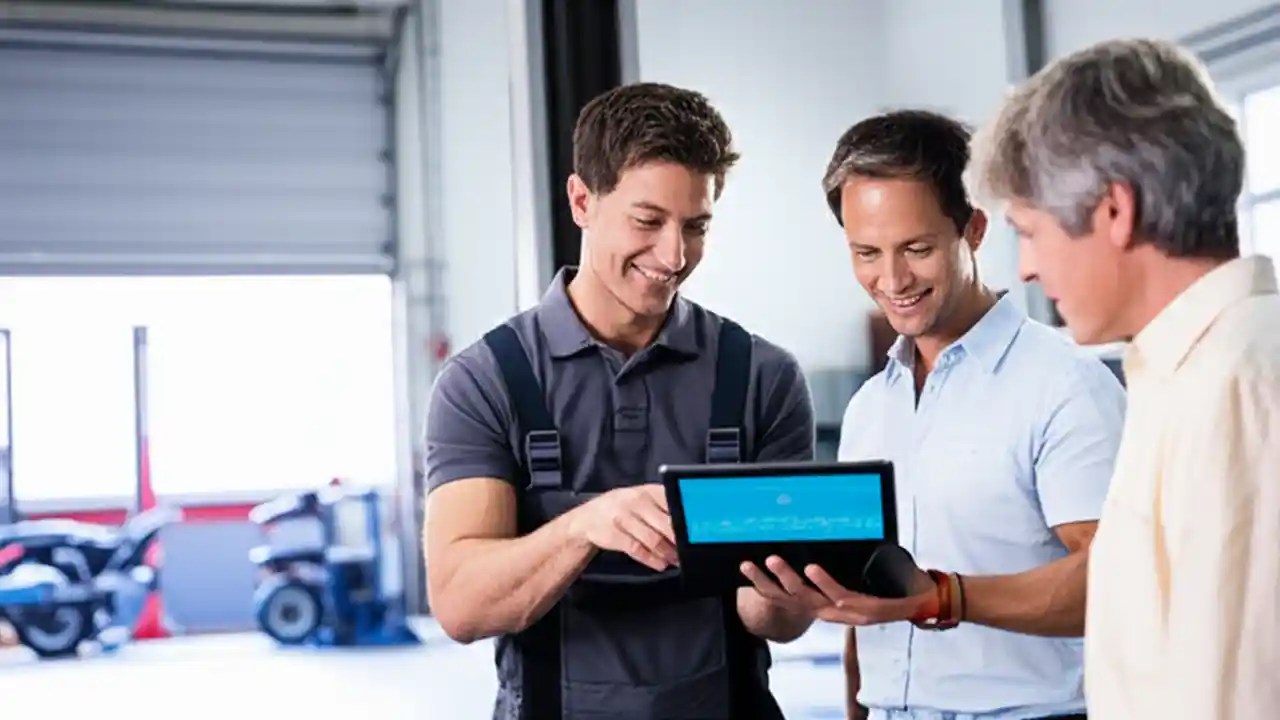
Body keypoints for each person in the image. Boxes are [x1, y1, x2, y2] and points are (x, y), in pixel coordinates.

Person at [421, 81, 816, 720]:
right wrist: (584, 525)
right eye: (647, 221)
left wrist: (790, 589)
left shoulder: (761, 378)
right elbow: (462, 607)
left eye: (696, 226)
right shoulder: (485, 381)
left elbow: (777, 621)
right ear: (581, 200)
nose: (675, 255)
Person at [738, 109, 1127, 720]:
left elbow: (1119, 581)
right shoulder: (871, 407)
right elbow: (863, 620)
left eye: (916, 249)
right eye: (866, 252)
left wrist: (944, 598)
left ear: (972, 229)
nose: (891, 279)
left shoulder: (1065, 382)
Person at [966, 37, 1280, 719]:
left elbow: (1235, 697)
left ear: (1114, 211)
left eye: (1029, 230)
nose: (1024, 268)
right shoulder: (1187, 371)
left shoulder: (1235, 386)